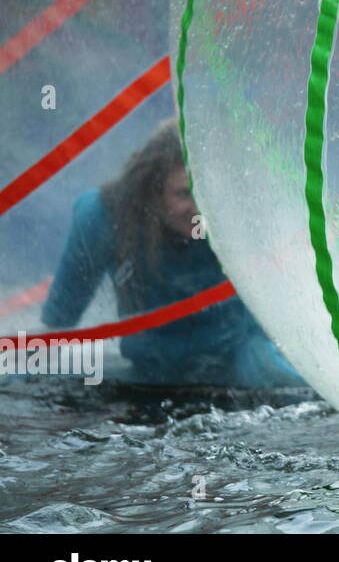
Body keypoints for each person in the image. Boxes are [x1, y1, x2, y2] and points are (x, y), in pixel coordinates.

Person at [41, 118, 303, 388]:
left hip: (242, 355)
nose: (199, 207)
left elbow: (298, 299)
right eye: (184, 194)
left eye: (207, 191)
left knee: (279, 378)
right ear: (153, 193)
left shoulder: (243, 210)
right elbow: (58, 322)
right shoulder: (103, 217)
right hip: (155, 370)